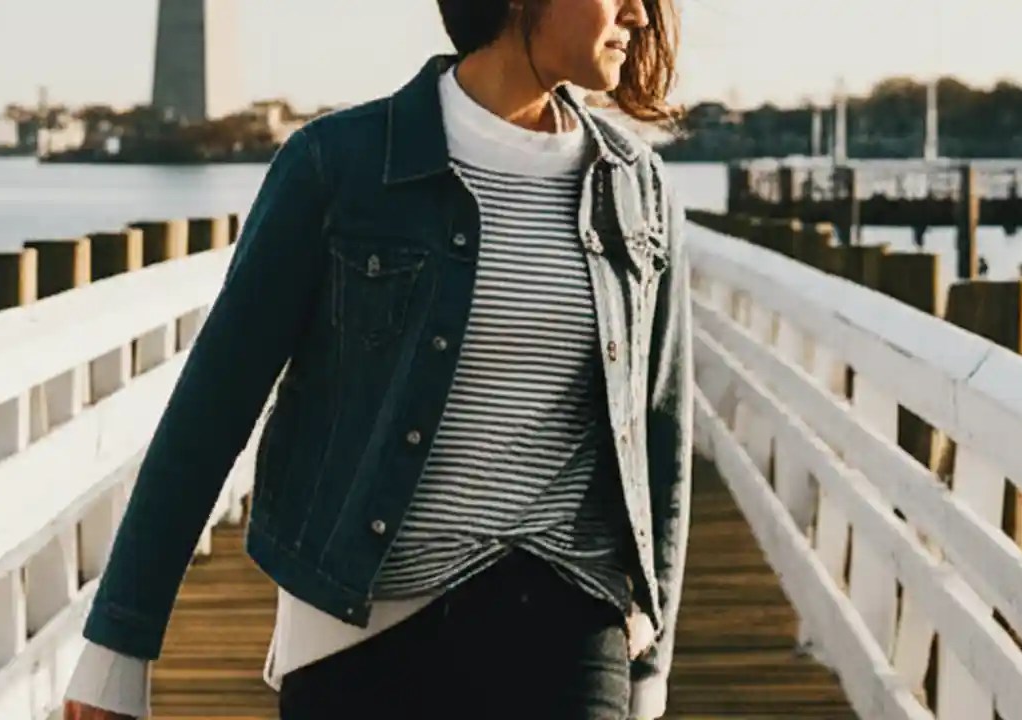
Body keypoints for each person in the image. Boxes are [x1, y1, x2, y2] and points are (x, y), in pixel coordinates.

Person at [62, 0, 690, 718]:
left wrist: (651, 665)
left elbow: (661, 434)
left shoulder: (638, 191)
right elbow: (212, 407)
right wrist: (120, 644)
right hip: (360, 633)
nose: (639, 14)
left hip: (572, 628)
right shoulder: (342, 166)